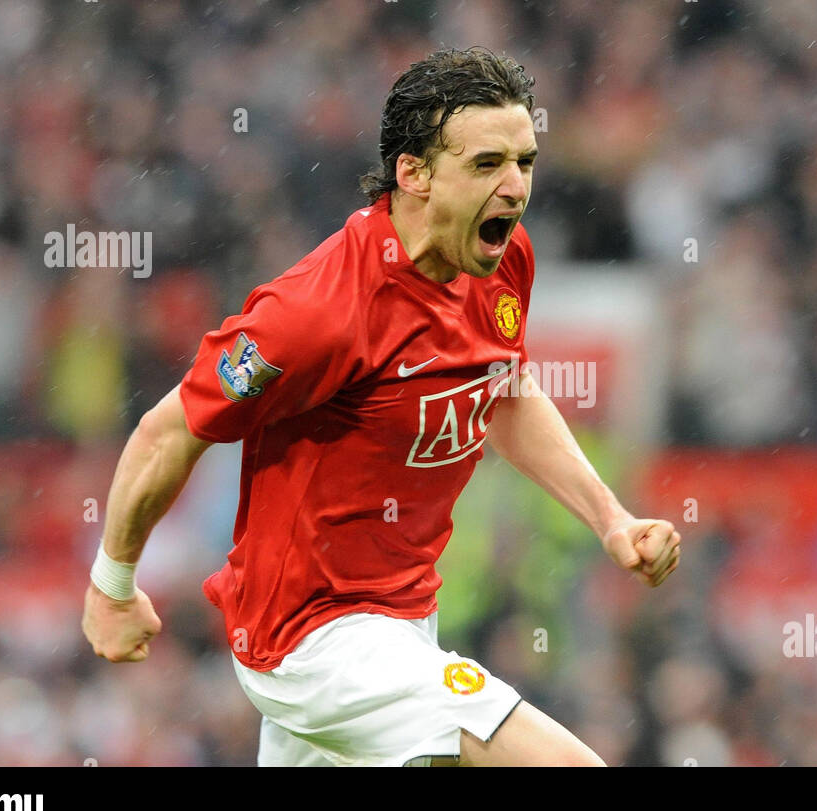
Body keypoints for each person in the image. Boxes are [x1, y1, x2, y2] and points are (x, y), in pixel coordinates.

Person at [80, 47, 681, 767]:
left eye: (526, 160)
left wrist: (611, 518)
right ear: (414, 173)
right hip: (312, 640)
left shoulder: (504, 258)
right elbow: (168, 431)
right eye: (487, 164)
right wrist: (112, 585)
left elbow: (504, 392)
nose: (516, 186)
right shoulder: (318, 311)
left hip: (402, 624)